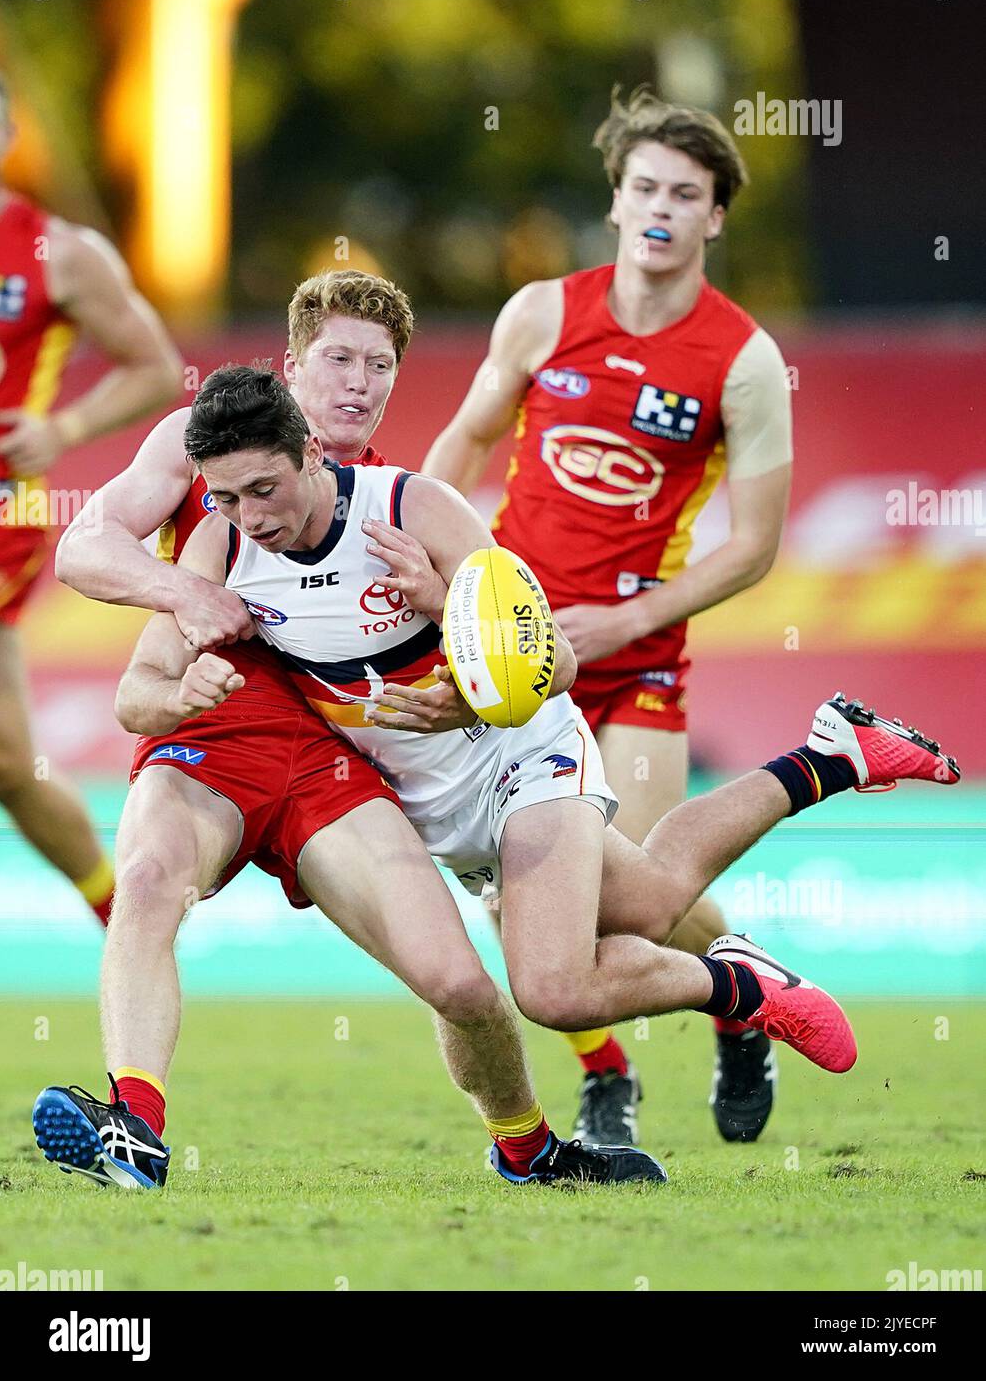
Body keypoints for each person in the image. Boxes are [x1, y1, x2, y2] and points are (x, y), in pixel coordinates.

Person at [102, 368, 959, 1160]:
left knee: (551, 989)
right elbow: (135, 697)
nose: (250, 516)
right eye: (225, 497)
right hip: (429, 805)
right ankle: (831, 754)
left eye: (264, 488)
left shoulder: (412, 509)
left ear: (313, 453)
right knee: (654, 900)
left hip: (517, 751)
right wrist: (182, 695)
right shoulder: (222, 548)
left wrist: (454, 643)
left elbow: (556, 663)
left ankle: (732, 989)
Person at [35, 279, 664, 1191]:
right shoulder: (199, 441)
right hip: (212, 738)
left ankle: (534, 1145)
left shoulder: (384, 498)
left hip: (334, 757)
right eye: (338, 360)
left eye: (379, 366)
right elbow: (81, 551)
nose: (358, 384)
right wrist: (187, 595)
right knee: (146, 877)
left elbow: (518, 647)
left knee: (466, 985)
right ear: (291, 368)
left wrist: (461, 679)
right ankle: (135, 1128)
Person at [423, 86, 794, 1146]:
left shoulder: (745, 360)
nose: (661, 208)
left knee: (638, 899)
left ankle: (736, 996)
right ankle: (609, 1076)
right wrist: (451, 577)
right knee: (517, 899)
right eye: (644, 188)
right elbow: (458, 450)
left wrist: (625, 625)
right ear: (618, 200)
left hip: (640, 662)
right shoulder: (543, 310)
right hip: (513, 659)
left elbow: (754, 544)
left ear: (716, 215)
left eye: (686, 192)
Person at [0, 73, 183, 927]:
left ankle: (124, 919)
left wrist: (61, 429)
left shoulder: (57, 251)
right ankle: (125, 916)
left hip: (4, 517)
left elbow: (153, 362)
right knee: (6, 761)